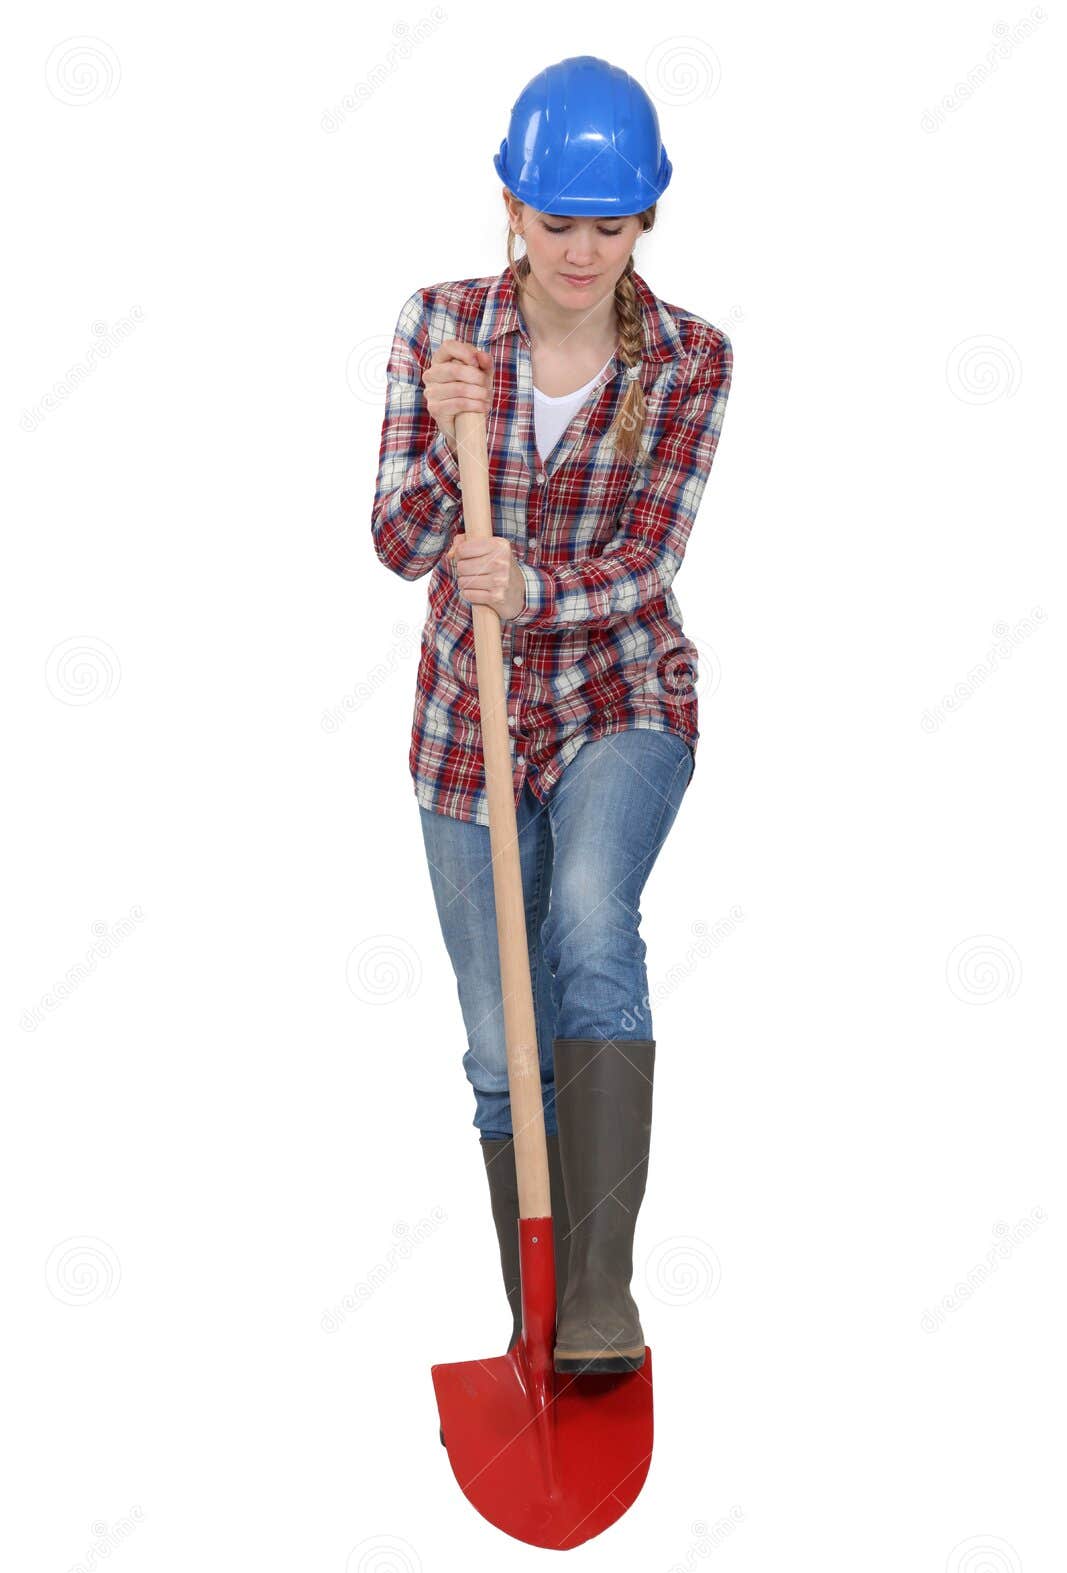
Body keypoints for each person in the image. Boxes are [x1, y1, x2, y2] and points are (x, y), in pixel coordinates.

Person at [370, 55, 733, 1373]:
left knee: (587, 917)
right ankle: (532, 1316)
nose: (583, 253)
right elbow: (400, 538)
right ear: (512, 206)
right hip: (470, 724)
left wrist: (527, 582)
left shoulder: (690, 360)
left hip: (626, 690)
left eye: (612, 225)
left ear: (646, 222)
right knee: (491, 1039)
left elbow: (648, 561)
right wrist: (439, 435)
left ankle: (598, 1299)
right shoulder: (440, 327)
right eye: (557, 220)